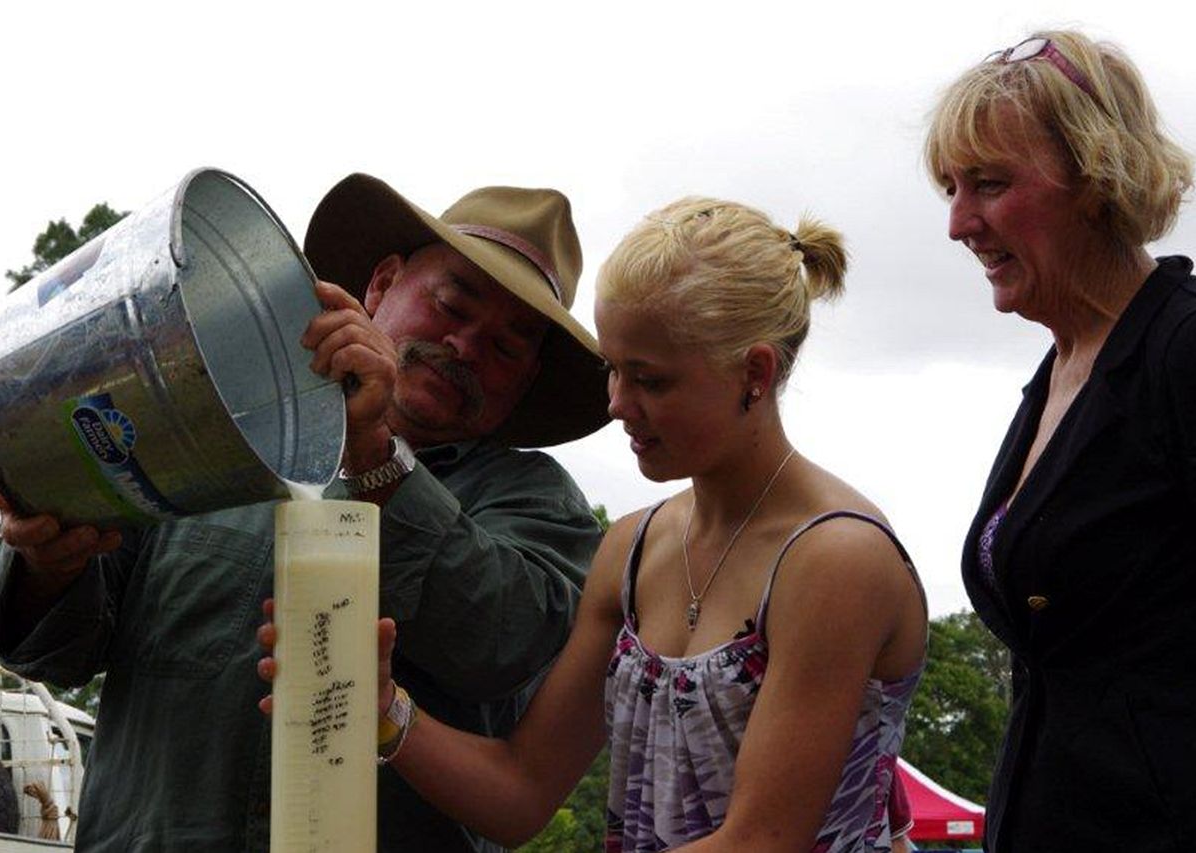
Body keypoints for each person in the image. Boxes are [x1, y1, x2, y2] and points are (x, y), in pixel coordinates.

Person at [262, 196, 929, 851]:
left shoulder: (836, 557)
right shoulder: (632, 549)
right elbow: (520, 792)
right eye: (613, 369)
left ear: (754, 372)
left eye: (650, 379)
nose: (616, 404)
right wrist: (382, 710)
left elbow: (762, 838)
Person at [0, 174, 611, 852]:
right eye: (453, 304)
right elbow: (51, 648)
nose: (465, 346)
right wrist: (48, 561)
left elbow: (505, 642)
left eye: (508, 346)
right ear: (382, 283)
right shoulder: (209, 430)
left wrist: (378, 459)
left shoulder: (538, 504)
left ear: (525, 381)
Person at [925, 29, 1196, 852]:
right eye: (949, 187)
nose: (957, 223)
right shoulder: (1058, 371)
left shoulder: (1192, 351)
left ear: (1096, 176)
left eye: (988, 184)